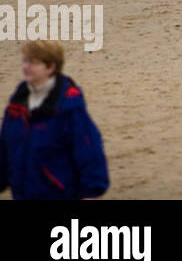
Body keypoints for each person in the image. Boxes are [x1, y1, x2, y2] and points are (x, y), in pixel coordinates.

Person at [0, 40, 109, 200]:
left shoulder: (68, 107)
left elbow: (89, 149)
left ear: (51, 67)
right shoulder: (16, 106)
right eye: (25, 61)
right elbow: (4, 150)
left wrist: (91, 191)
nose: (26, 67)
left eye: (34, 63)